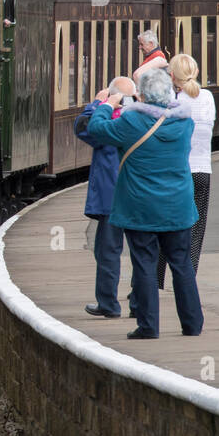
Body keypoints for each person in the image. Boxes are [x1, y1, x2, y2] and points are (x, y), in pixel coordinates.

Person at [85, 67, 203, 339]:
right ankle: (192, 324)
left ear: (140, 95)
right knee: (182, 264)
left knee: (145, 265)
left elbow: (96, 129)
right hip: (178, 206)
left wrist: (106, 104)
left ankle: (149, 326)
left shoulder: (131, 122)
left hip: (141, 207)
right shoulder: (185, 123)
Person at [75, 76, 136, 318]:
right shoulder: (140, 121)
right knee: (141, 253)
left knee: (108, 251)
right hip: (138, 197)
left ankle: (109, 303)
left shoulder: (107, 124)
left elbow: (82, 127)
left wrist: (98, 105)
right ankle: (139, 303)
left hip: (112, 199)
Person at [156, 54, 213, 286]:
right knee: (196, 229)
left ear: (172, 76)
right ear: (196, 72)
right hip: (202, 171)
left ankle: (154, 279)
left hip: (175, 172)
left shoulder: (170, 99)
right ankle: (187, 280)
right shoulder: (207, 97)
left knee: (164, 227)